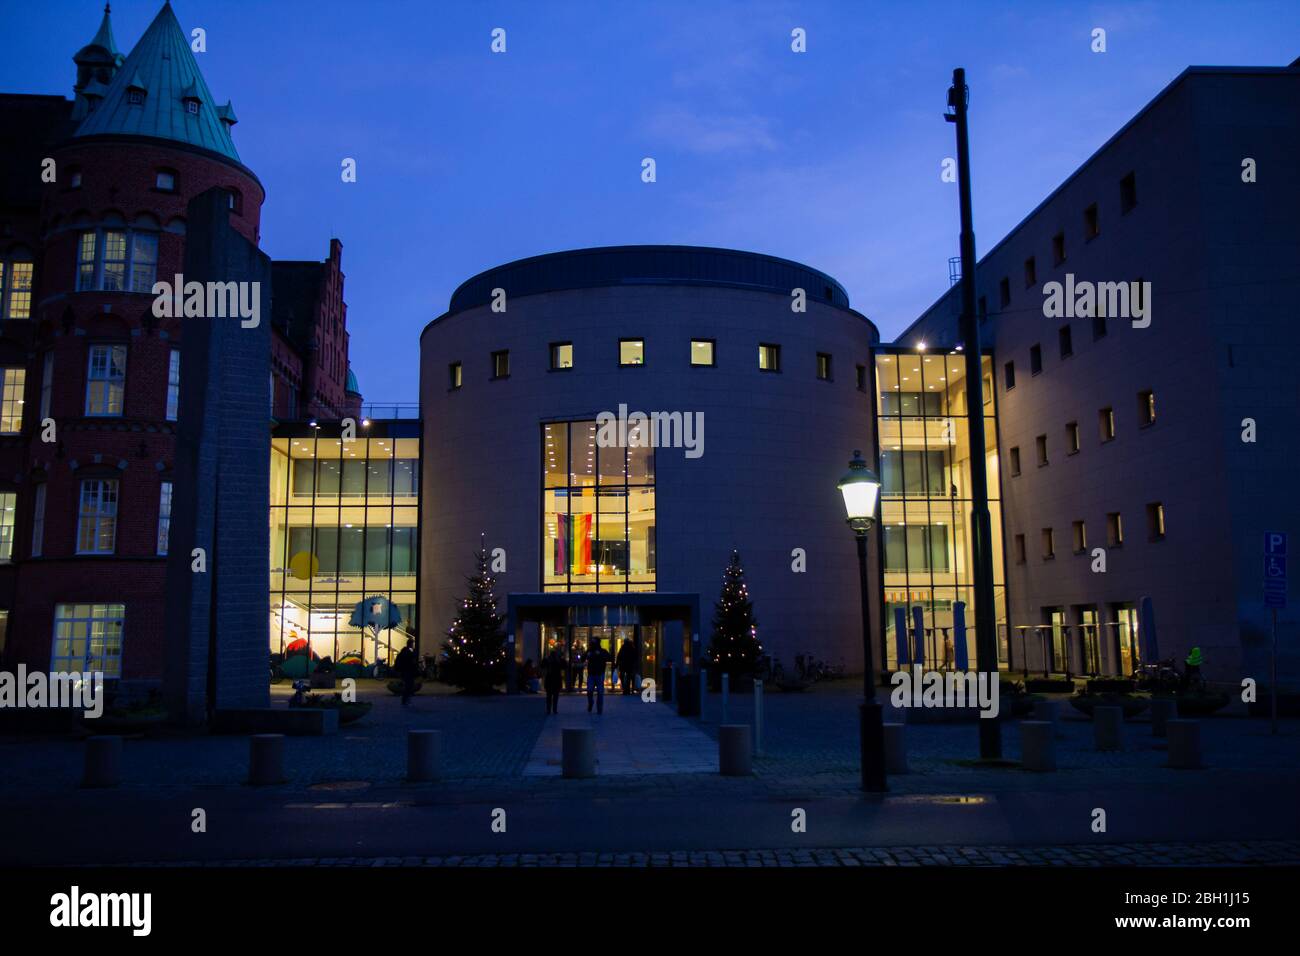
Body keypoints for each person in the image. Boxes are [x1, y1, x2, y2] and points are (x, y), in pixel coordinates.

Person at [585, 641, 612, 714]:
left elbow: (609, 658)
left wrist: (599, 655)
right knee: (591, 691)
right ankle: (592, 704)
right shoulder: (590, 651)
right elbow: (583, 657)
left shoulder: (602, 651)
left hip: (598, 674)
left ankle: (598, 708)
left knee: (598, 692)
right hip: (593, 674)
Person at [394, 638, 418, 706]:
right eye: (413, 643)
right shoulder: (408, 652)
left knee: (408, 685)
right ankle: (405, 700)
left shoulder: (404, 651)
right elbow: (410, 662)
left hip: (405, 671)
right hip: (407, 671)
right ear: (411, 644)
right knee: (408, 685)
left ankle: (406, 700)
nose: (413, 645)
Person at [543, 650, 565, 715]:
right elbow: (564, 666)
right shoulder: (558, 661)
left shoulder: (548, 661)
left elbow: (542, 665)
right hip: (556, 680)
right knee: (555, 696)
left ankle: (549, 709)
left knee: (549, 697)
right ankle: (554, 709)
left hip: (550, 680)